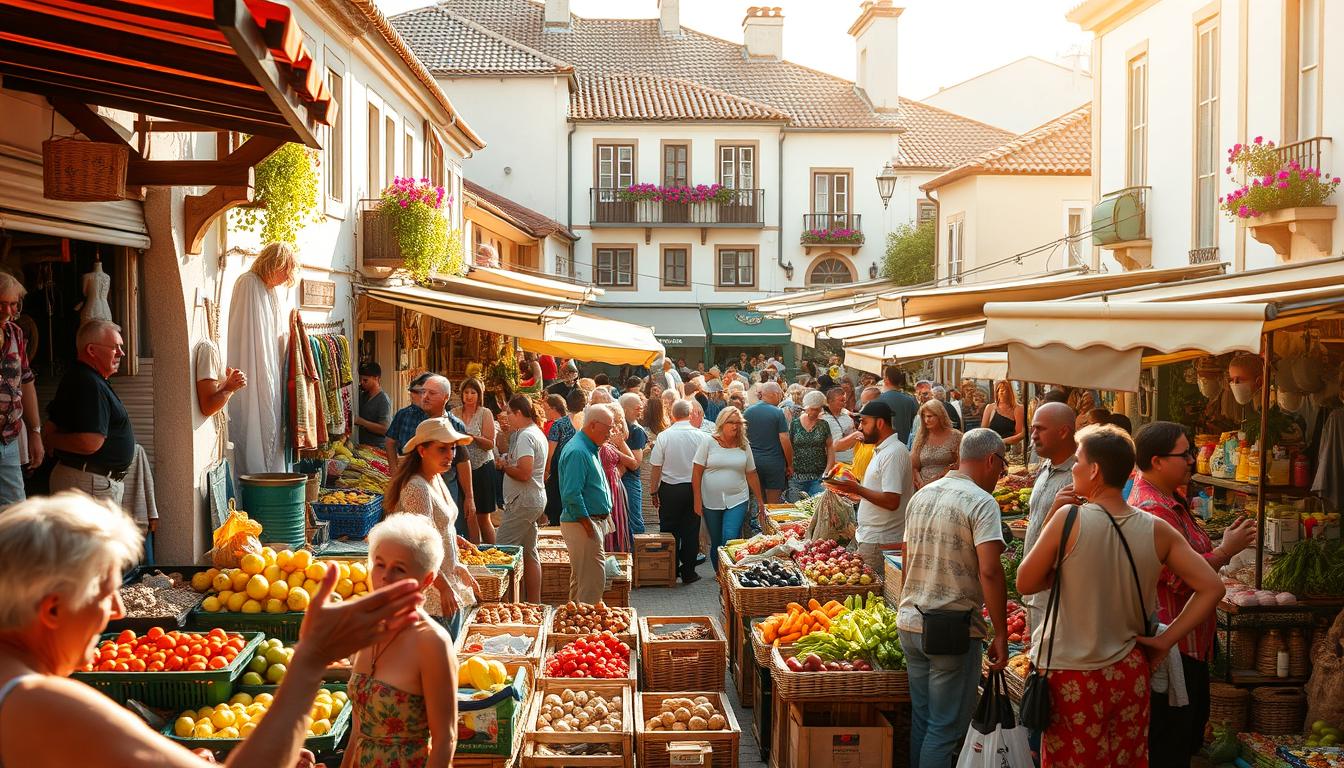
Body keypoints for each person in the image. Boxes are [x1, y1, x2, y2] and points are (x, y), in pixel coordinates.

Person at [0, 492, 423, 768]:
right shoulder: (38, 702)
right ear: (53, 608)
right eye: (106, 594)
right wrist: (310, 659)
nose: (115, 611)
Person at [1017, 425, 1226, 768]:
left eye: (1078, 461)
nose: (1073, 469)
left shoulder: (1069, 519)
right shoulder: (1156, 528)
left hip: (1072, 674)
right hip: (1128, 672)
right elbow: (1212, 588)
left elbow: (1025, 582)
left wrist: (1053, 515)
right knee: (1126, 759)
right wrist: (1166, 640)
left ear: (1095, 470)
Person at [1130, 421, 1256, 768]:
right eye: (1184, 453)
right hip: (1171, 645)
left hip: (1187, 644)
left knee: (1183, 741)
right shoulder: (1153, 509)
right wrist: (1225, 551)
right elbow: (1179, 579)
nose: (1192, 459)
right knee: (1169, 746)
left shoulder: (1172, 499)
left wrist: (1219, 548)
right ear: (1157, 461)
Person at [897, 428, 1010, 768]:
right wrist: (1002, 633)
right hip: (951, 629)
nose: (1000, 476)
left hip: (911, 621)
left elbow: (905, 557)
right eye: (1002, 469)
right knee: (944, 729)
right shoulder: (981, 502)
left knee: (924, 719)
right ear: (991, 460)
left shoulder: (923, 494)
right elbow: (989, 571)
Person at [344, 514, 457, 767]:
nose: (385, 577)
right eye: (380, 564)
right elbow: (358, 729)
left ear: (426, 581)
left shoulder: (431, 643)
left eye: (400, 569)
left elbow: (445, 741)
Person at [383, 418, 481, 634]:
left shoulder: (435, 477)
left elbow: (436, 526)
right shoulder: (417, 487)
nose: (450, 455)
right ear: (422, 451)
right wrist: (444, 587)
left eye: (453, 448)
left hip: (444, 581)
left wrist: (454, 545)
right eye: (442, 449)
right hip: (432, 595)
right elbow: (420, 547)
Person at [45, 320, 135, 509]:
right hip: (89, 486)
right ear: (92, 350)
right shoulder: (89, 383)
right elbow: (90, 442)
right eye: (115, 347)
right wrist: (49, 440)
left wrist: (50, 439)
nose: (121, 353)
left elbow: (51, 424)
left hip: (89, 483)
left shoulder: (84, 378)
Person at [226, 242, 296, 477]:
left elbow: (275, 337)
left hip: (268, 371)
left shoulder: (269, 292)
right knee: (253, 417)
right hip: (253, 366)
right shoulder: (248, 284)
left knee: (268, 418)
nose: (287, 277)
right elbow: (251, 339)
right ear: (273, 264)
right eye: (285, 269)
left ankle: (270, 475)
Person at [824, 400, 912, 572]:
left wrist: (856, 488)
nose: (859, 428)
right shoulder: (883, 451)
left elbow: (892, 500)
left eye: (864, 422)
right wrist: (855, 493)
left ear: (879, 422)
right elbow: (880, 494)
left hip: (880, 540)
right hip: (871, 537)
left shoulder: (893, 453)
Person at [1021, 402, 1079, 636]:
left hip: (1057, 590)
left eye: (1040, 429)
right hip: (1036, 585)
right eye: (1032, 428)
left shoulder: (1078, 475)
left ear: (1063, 431)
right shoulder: (1046, 467)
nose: (1033, 436)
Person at [693, 406, 765, 569]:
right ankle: (720, 575)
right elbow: (697, 472)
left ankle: (728, 573)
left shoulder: (744, 445)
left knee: (729, 537)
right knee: (717, 541)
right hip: (711, 500)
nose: (735, 426)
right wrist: (697, 500)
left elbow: (751, 473)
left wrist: (760, 501)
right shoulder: (708, 442)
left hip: (738, 498)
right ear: (721, 423)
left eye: (738, 422)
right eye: (731, 422)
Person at [558, 405, 615, 603]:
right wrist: (587, 523)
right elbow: (572, 494)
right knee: (591, 584)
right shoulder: (579, 451)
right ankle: (586, 631)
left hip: (586, 522)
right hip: (582, 523)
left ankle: (574, 625)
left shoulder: (587, 446)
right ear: (592, 425)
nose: (610, 433)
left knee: (583, 582)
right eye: (608, 428)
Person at [650, 399, 709, 583]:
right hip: (694, 488)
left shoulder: (664, 436)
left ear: (672, 415)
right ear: (690, 414)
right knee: (691, 530)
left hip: (670, 488)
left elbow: (656, 466)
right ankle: (689, 571)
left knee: (668, 529)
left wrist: (653, 491)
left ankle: (671, 569)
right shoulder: (702, 436)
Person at [497, 395, 549, 603]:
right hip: (532, 499)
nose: (507, 416)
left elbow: (525, 472)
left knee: (502, 552)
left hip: (523, 501)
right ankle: (533, 603)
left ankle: (504, 604)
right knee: (529, 552)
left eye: (509, 412)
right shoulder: (532, 432)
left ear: (519, 413)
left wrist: (504, 467)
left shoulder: (527, 436)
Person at [0, 274, 39, 505]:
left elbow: (26, 381)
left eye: (13, 304)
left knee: (17, 513)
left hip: (9, 438)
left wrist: (35, 432)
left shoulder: (15, 333)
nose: (7, 310)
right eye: (1, 303)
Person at [453, 378, 498, 544]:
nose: (469, 396)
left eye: (473, 392)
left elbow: (490, 444)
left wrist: (472, 438)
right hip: (462, 468)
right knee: (468, 514)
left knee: (483, 516)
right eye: (466, 392)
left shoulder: (485, 413)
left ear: (479, 395)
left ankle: (492, 551)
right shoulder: (455, 412)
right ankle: (475, 549)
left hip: (482, 467)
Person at [744, 382, 793, 504]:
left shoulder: (748, 411)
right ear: (775, 394)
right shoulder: (778, 413)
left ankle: (759, 522)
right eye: (780, 394)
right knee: (772, 505)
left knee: (758, 502)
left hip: (752, 462)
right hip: (774, 463)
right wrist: (790, 464)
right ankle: (769, 523)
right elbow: (785, 439)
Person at [600, 403, 640, 553]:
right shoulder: (603, 441)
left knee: (618, 521)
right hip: (609, 484)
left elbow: (633, 463)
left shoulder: (616, 438)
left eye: (619, 421)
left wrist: (616, 471)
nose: (618, 426)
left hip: (614, 484)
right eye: (616, 421)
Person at [544, 389, 586, 526]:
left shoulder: (559, 424)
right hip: (583, 469)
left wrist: (547, 472)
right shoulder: (588, 423)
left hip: (561, 472)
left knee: (558, 509)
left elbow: (551, 453)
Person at [788, 390, 835, 500]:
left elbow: (830, 448)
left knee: (818, 508)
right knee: (795, 510)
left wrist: (827, 471)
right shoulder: (795, 424)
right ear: (806, 407)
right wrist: (788, 466)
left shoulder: (824, 425)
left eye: (818, 410)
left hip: (818, 477)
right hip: (797, 477)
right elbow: (788, 447)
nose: (815, 413)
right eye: (812, 409)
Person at [619, 393, 649, 540]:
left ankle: (637, 558)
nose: (640, 411)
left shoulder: (636, 430)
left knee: (633, 522)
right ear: (625, 409)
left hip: (628, 480)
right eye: (637, 409)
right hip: (622, 480)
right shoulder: (622, 428)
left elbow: (635, 463)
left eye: (641, 408)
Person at [910, 399, 960, 488]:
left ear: (940, 416)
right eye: (924, 416)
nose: (926, 420)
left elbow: (959, 465)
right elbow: (914, 467)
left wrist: (934, 480)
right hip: (922, 488)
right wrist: (920, 483)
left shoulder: (956, 436)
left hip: (948, 485)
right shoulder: (921, 437)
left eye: (929, 416)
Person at [353, 362, 392, 447]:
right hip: (363, 446)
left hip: (377, 447)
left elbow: (385, 429)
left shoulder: (383, 399)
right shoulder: (363, 395)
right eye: (361, 380)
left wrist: (361, 422)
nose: (362, 383)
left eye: (365, 380)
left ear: (376, 378)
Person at [878, 364, 919, 444]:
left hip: (884, 445)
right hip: (905, 444)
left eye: (883, 377)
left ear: (887, 379)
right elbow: (915, 424)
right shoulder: (910, 400)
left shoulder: (879, 399)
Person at [981, 381, 1026, 450]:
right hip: (991, 448)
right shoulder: (990, 408)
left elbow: (1019, 435)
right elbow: (983, 431)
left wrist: (1001, 442)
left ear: (1009, 392)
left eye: (1003, 390)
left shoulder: (1018, 408)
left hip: (1010, 450)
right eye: (998, 390)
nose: (1000, 392)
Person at [821, 386, 861, 467]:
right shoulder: (822, 419)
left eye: (844, 401)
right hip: (833, 463)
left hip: (851, 461)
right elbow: (834, 447)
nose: (844, 403)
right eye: (841, 400)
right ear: (830, 401)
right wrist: (855, 435)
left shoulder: (847, 417)